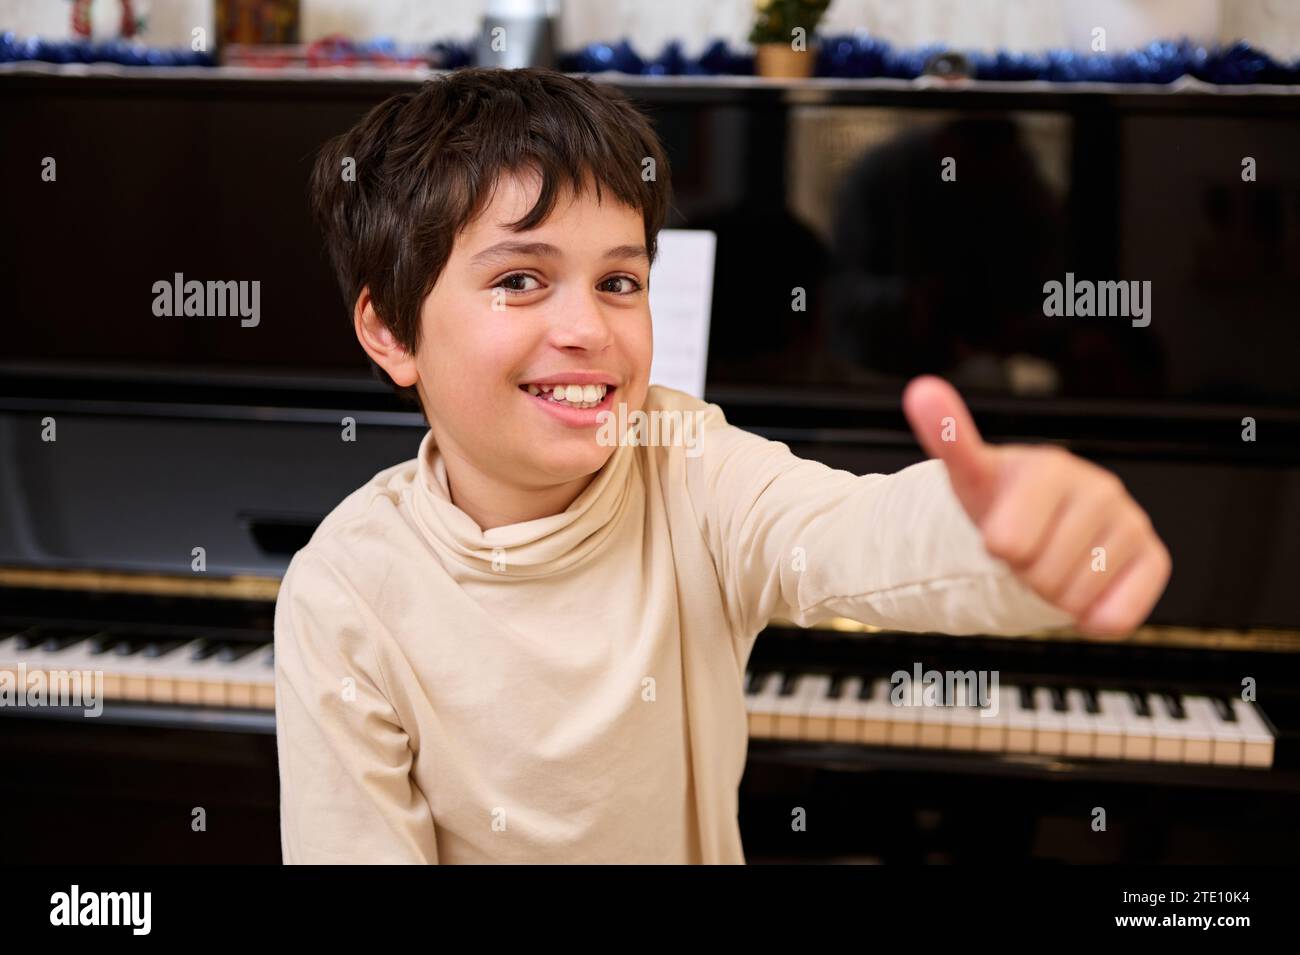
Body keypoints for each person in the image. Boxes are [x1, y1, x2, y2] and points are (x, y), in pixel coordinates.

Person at [275, 68, 1170, 863]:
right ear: (390, 331)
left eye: (619, 282)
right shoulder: (343, 591)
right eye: (520, 280)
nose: (588, 329)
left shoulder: (687, 465)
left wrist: (1010, 532)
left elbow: (854, 534)